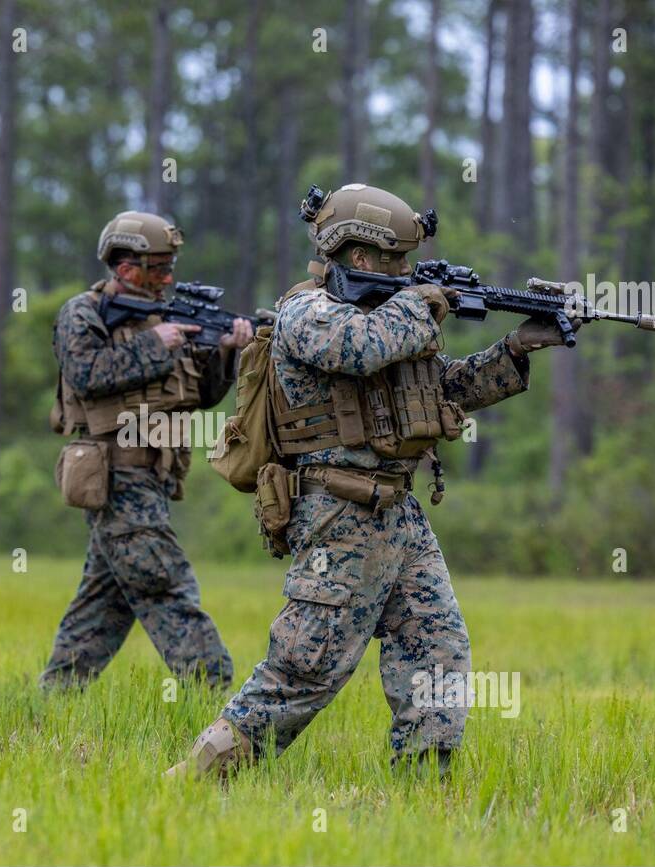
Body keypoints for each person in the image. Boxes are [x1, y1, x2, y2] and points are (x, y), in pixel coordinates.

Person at [167, 183, 579, 778]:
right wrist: (424, 301)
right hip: (338, 513)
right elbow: (360, 348)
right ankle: (194, 785)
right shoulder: (306, 314)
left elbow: (444, 391)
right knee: (305, 672)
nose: (408, 272)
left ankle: (422, 791)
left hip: (399, 515)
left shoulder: (393, 316)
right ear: (361, 258)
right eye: (397, 261)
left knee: (437, 652)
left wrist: (516, 347)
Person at [41, 211, 253, 690]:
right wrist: (154, 345)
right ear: (125, 266)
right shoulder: (85, 313)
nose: (168, 278)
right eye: (158, 268)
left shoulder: (166, 318)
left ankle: (55, 697)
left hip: (151, 479)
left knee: (105, 602)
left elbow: (200, 395)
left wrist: (226, 350)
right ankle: (213, 693)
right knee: (164, 582)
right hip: (115, 476)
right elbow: (86, 376)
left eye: (170, 267)